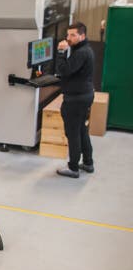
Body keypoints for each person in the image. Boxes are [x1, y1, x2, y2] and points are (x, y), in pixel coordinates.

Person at [55, 22, 95, 178]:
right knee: (81, 130)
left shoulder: (81, 53)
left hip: (76, 99)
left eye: (73, 35)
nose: (68, 38)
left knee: (73, 133)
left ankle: (73, 168)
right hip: (84, 95)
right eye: (68, 35)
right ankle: (88, 162)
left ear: (82, 36)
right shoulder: (85, 50)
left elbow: (64, 70)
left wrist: (60, 52)